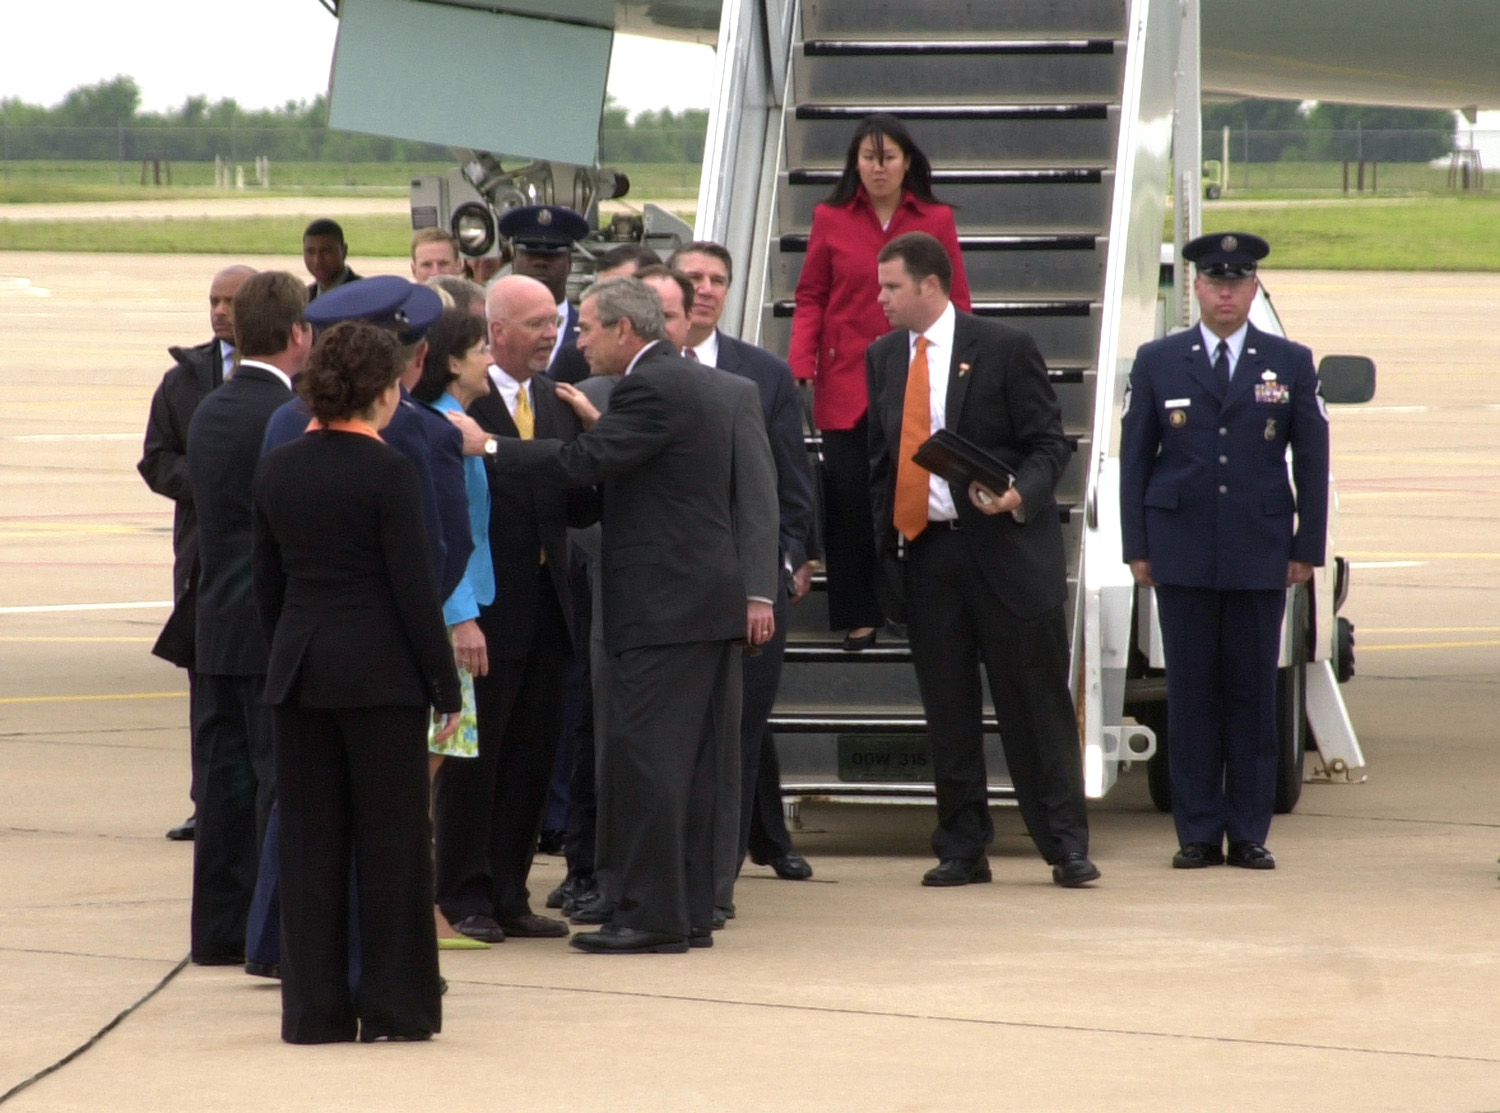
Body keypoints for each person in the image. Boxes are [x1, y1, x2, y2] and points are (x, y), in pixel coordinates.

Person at [488, 277, 779, 954]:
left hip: (663, 609)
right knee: (697, 765)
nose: (576, 341)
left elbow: (583, 463)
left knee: (650, 762)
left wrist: (490, 446)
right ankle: (689, 909)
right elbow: (648, 462)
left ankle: (651, 916)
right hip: (703, 606)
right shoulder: (701, 384)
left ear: (626, 330)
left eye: (586, 328)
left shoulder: (650, 385)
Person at [865, 233, 1098, 889]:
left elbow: (1049, 445)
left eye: (890, 287)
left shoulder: (1003, 349)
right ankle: (963, 844)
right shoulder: (883, 357)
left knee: (1034, 705)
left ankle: (1064, 843)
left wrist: (1020, 492)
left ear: (929, 286)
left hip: (1005, 552)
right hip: (930, 553)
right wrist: (884, 554)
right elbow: (883, 465)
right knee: (948, 708)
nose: (880, 298)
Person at [252, 321, 461, 1044]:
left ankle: (314, 1011)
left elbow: (268, 589)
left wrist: (293, 651)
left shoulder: (278, 466)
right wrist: (446, 685)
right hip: (380, 678)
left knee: (311, 850)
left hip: (303, 674)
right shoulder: (390, 472)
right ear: (384, 391)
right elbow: (414, 589)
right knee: (394, 847)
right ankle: (396, 1004)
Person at [1120, 232, 1329, 871]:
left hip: (1259, 552)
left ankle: (1249, 831)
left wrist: (1306, 548)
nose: (1226, 293)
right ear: (1197, 289)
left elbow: (1313, 460)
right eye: (1215, 282)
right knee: (1191, 695)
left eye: (1238, 282)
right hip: (1180, 551)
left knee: (1251, 695)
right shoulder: (1158, 360)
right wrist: (1138, 547)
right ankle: (1197, 832)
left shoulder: (1289, 361)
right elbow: (1135, 460)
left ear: (1253, 288)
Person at [432, 275, 596, 945]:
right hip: (489, 613)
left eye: (554, 322)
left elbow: (571, 507)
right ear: (494, 331)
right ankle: (463, 893)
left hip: (548, 612)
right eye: (535, 323)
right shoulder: (458, 412)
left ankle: (509, 890)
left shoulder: (557, 402)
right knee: (477, 764)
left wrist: (598, 450)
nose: (550, 334)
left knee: (530, 760)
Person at [789, 114, 971, 651]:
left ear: (907, 161)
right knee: (848, 503)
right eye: (868, 158)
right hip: (845, 381)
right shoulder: (830, 217)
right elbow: (811, 295)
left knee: (912, 493)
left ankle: (915, 607)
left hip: (914, 375)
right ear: (855, 164)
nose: (878, 168)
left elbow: (955, 297)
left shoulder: (935, 218)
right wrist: (802, 357)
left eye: (888, 157)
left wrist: (960, 364)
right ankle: (859, 613)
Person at [671, 241, 820, 893]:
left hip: (751, 590)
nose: (706, 289)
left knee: (738, 734)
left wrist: (784, 561)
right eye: (693, 278)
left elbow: (793, 482)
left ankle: (716, 880)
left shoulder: (763, 374)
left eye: (718, 280)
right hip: (666, 592)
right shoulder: (637, 367)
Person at [185, 271, 308, 965]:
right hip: (266, 624)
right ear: (297, 333)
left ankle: (219, 931)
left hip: (215, 623)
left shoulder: (212, 407)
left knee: (223, 785)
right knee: (271, 781)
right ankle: (270, 936)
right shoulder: (282, 417)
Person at [138, 263, 255, 842]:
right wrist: (209, 480)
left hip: (259, 555)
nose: (220, 310)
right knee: (205, 688)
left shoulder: (294, 377)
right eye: (214, 299)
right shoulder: (182, 380)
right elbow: (156, 460)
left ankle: (258, 802)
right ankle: (207, 802)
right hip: (202, 556)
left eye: (232, 301)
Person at [499, 204, 591, 384]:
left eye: (552, 255)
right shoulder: (489, 330)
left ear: (569, 264)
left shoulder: (587, 334)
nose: (540, 262)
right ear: (514, 260)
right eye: (531, 253)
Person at [303, 219, 362, 302]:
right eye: (310, 252)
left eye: (326, 251)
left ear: (344, 251)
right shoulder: (303, 299)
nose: (317, 260)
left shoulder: (365, 295)